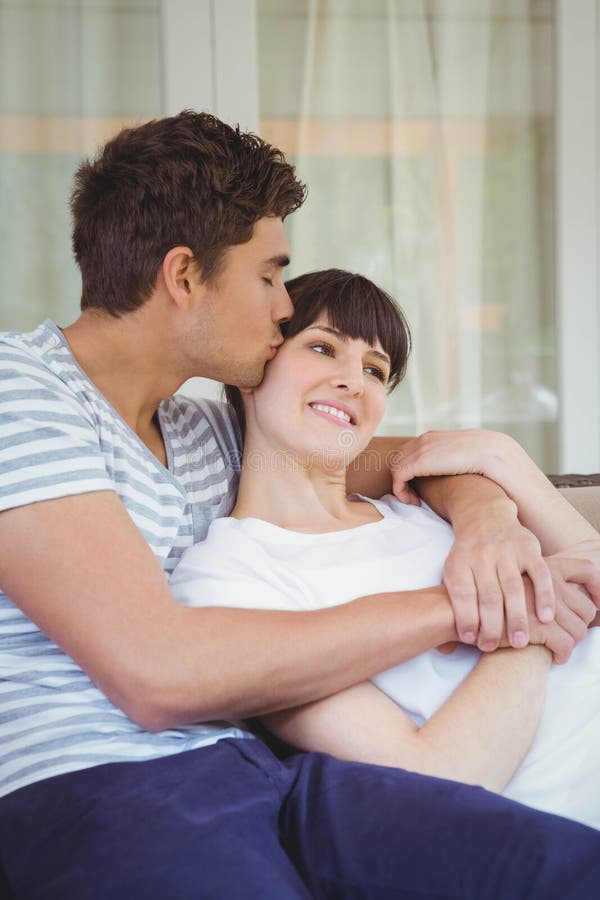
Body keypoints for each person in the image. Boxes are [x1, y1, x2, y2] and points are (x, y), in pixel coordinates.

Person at [0, 111, 599, 899]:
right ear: (184, 277)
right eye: (269, 275)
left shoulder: (203, 430)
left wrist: (488, 520)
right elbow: (158, 675)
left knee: (554, 865)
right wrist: (483, 606)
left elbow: (392, 454)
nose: (284, 307)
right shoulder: (22, 391)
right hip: (101, 783)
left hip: (261, 769)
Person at [170, 267, 600, 832]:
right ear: (254, 366)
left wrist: (498, 460)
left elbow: (590, 568)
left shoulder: (424, 503)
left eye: (375, 370)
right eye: (323, 348)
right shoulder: (229, 579)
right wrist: (529, 628)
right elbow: (436, 777)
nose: (354, 381)